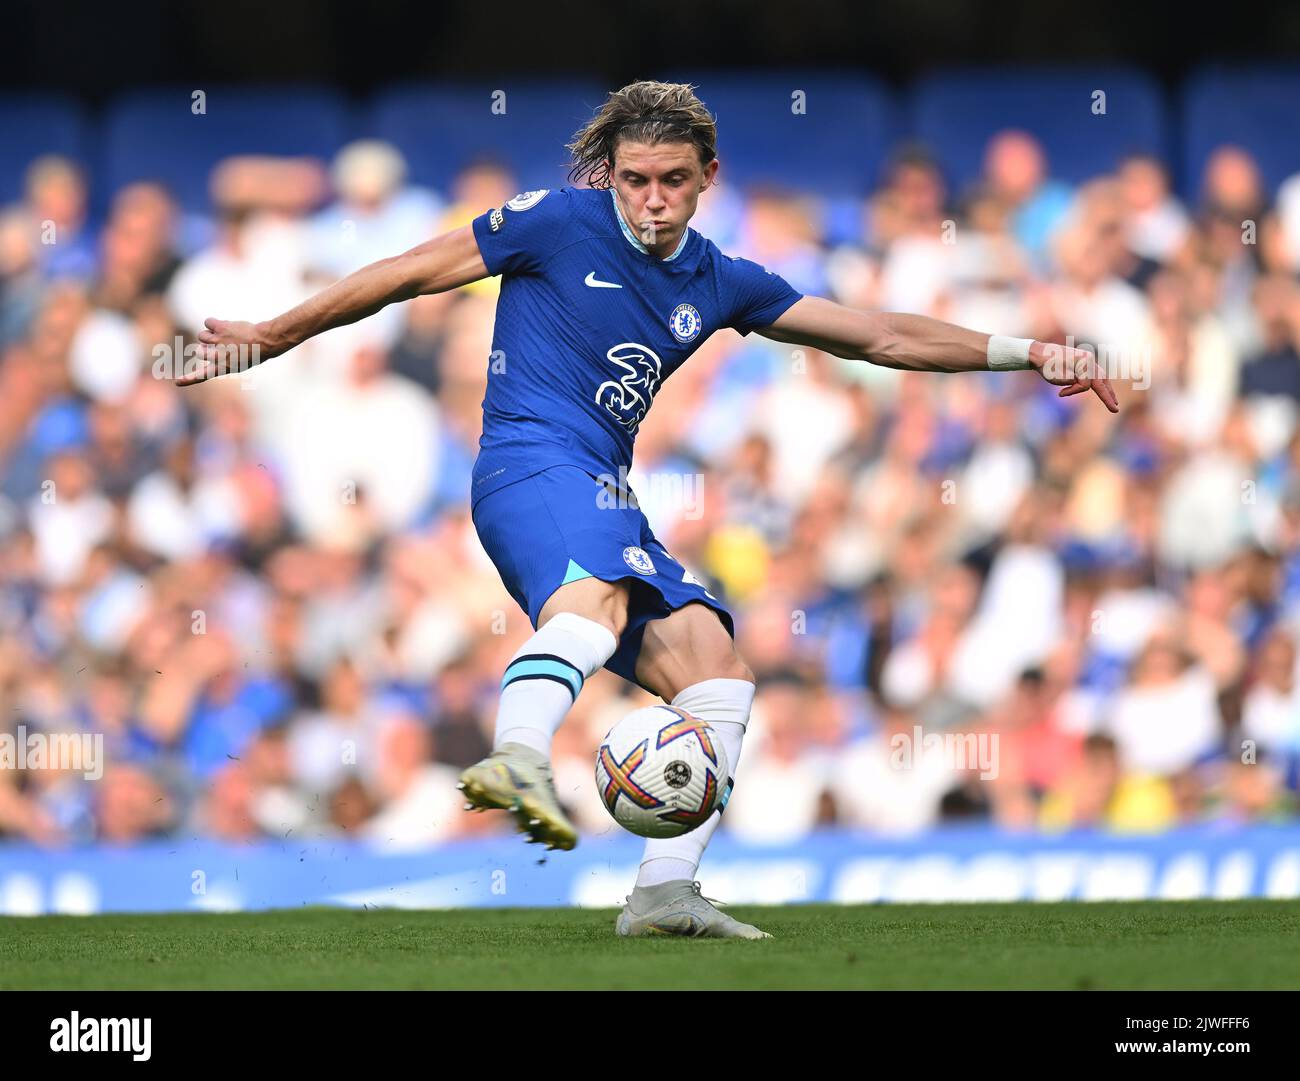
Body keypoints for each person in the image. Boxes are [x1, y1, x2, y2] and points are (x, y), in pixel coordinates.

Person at [177, 80, 1117, 938]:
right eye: (635, 180)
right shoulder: (551, 221)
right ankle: (516, 756)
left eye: (673, 179)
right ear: (610, 178)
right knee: (601, 598)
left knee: (718, 669)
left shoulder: (720, 280)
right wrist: (276, 331)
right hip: (526, 469)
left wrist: (1028, 350)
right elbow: (407, 272)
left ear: (708, 177)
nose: (653, 199)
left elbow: (880, 332)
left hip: (607, 491)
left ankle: (665, 889)